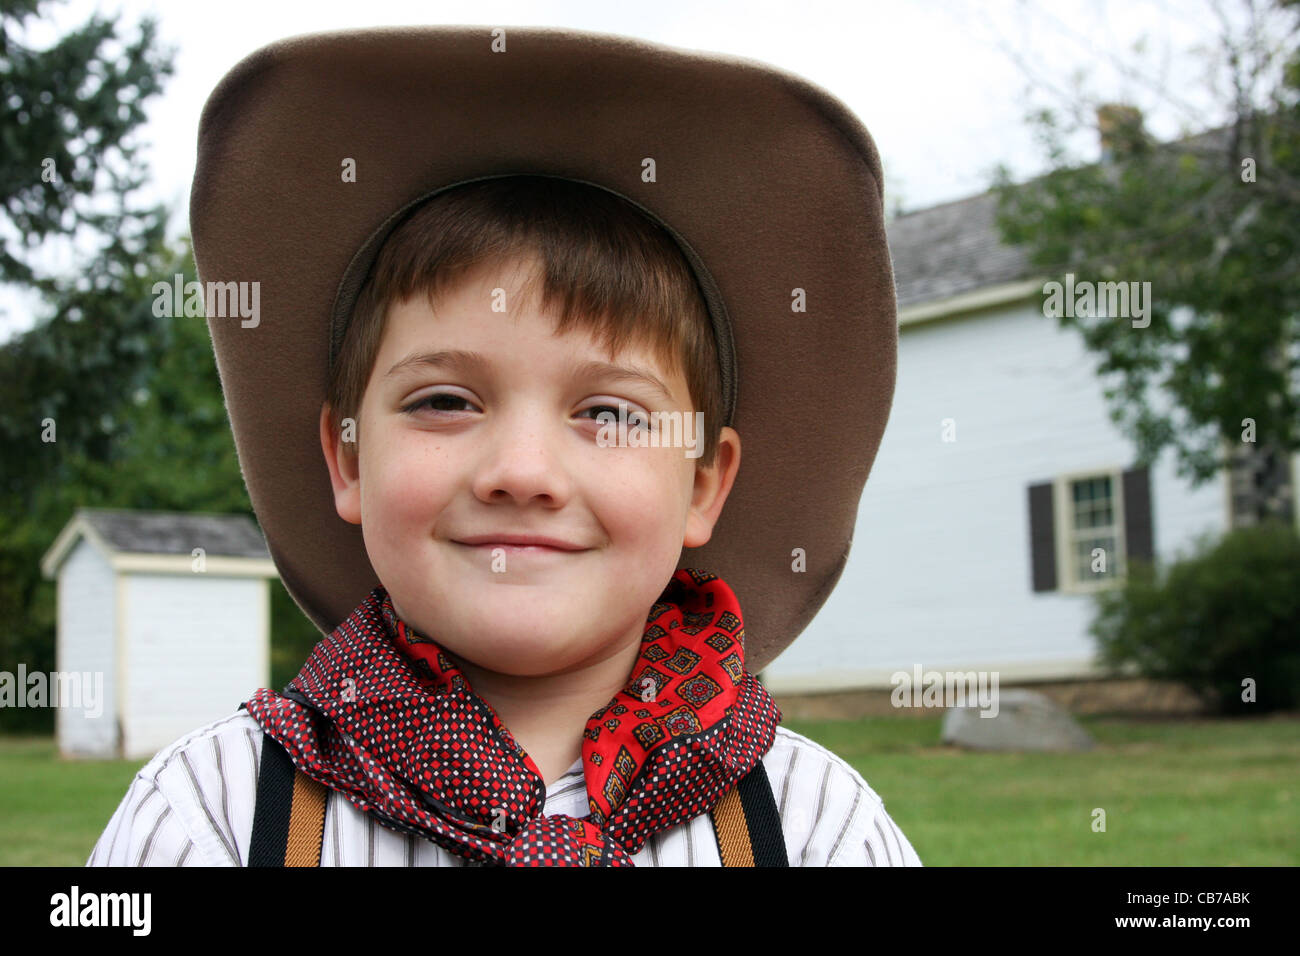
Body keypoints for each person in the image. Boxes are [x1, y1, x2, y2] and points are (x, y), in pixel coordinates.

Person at [86, 25, 920, 867]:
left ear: (703, 484)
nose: (522, 472)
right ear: (347, 460)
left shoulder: (815, 827)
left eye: (612, 414)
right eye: (444, 401)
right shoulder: (216, 814)